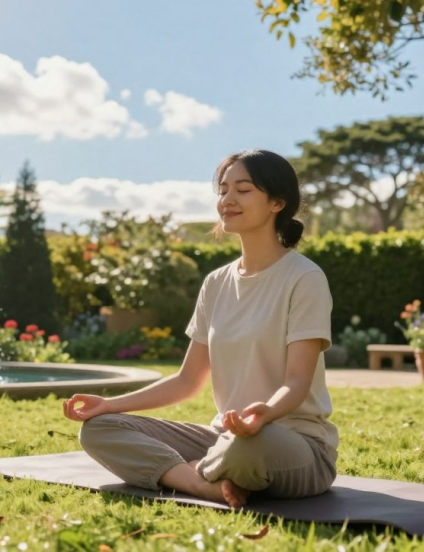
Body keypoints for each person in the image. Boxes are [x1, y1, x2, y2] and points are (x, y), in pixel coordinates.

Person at [62, 150, 338, 507]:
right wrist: (109, 404)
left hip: (290, 443)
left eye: (243, 189)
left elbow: (296, 382)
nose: (228, 200)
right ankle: (197, 481)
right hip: (223, 437)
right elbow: (187, 381)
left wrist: (264, 415)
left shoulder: (304, 278)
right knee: (100, 429)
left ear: (277, 202)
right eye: (223, 190)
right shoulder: (216, 283)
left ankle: (204, 471)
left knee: (246, 446)